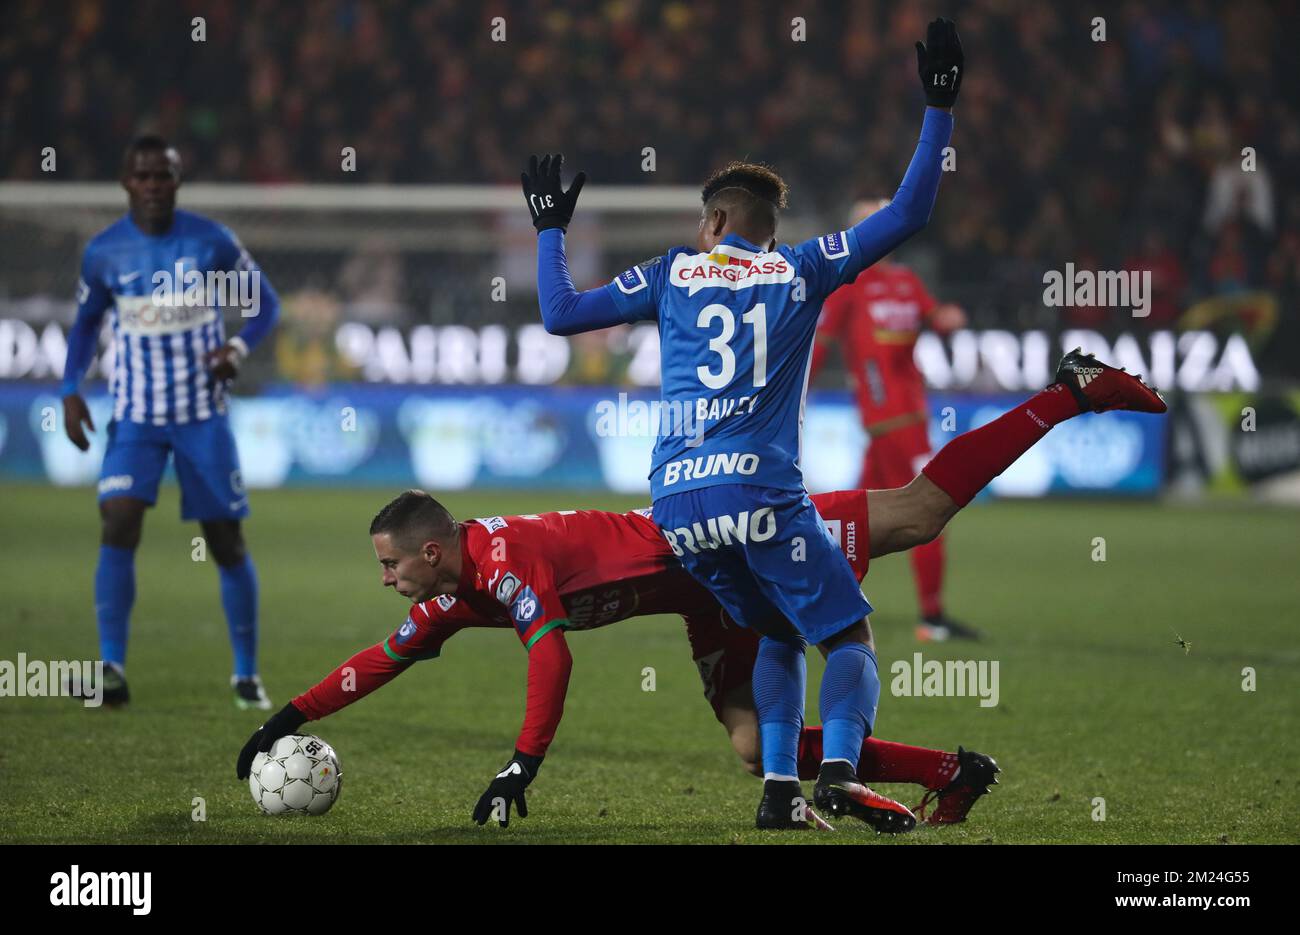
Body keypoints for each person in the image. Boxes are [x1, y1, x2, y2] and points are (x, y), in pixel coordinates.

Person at [237, 356, 1167, 830]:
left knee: (920, 512)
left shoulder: (509, 561)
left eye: (393, 565)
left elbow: (550, 653)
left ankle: (1069, 394)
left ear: (434, 549)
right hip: (703, 594)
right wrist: (283, 718)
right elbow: (379, 662)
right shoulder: (454, 592)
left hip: (734, 533)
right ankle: (945, 773)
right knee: (748, 742)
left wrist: (522, 764)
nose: (388, 582)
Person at [521, 20, 968, 829]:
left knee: (773, 628)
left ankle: (777, 794)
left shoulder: (672, 271)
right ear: (765, 225)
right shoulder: (805, 267)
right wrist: (938, 106)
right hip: (761, 492)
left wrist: (550, 226)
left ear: (715, 223)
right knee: (851, 635)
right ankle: (834, 769)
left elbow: (558, 313)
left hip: (679, 507)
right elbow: (908, 212)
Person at [61, 135, 280, 709]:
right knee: (118, 520)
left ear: (177, 182)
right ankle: (110, 667)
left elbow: (266, 304)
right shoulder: (105, 253)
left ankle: (246, 674)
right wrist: (69, 389)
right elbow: (85, 326)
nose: (154, 186)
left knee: (225, 541)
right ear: (126, 183)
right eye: (144, 177)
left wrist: (235, 349)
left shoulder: (211, 242)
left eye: (164, 176)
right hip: (135, 415)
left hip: (201, 416)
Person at [812, 197, 977, 642]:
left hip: (907, 414)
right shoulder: (850, 284)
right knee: (930, 506)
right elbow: (820, 344)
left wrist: (948, 319)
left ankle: (818, 603)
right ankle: (933, 618)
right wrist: (794, 400)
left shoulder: (906, 281)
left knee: (854, 519)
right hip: (890, 417)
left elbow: (935, 319)